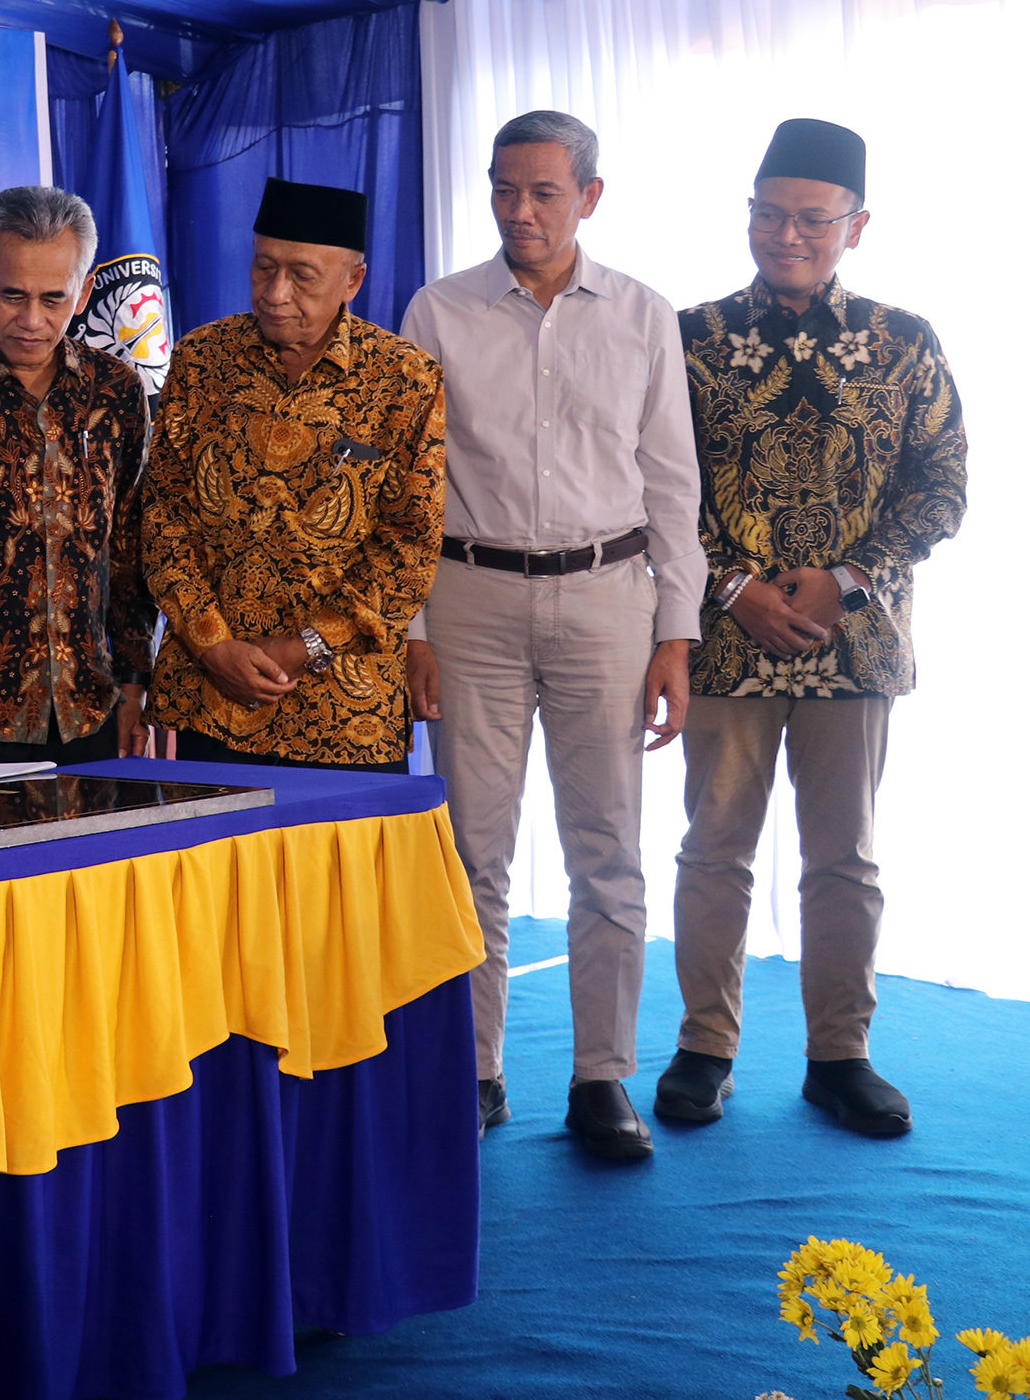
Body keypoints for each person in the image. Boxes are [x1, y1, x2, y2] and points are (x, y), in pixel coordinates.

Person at [400, 110, 706, 1162]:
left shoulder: (641, 315)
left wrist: (676, 631)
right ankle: (474, 1068)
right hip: (469, 601)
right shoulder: (436, 311)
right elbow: (408, 485)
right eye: (501, 190)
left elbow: (673, 483)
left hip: (607, 598)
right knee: (469, 849)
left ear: (589, 196)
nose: (519, 212)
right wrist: (410, 624)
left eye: (541, 192)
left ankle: (600, 1077)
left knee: (606, 850)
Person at [655, 119, 967, 1138]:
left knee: (845, 859)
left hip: (854, 645)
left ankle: (840, 1055)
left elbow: (942, 488)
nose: (784, 234)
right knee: (713, 851)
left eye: (809, 219)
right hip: (723, 638)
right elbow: (654, 486)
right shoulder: (688, 337)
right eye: (766, 213)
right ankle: (705, 1045)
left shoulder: (903, 338)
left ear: (856, 225)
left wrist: (848, 578)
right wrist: (735, 584)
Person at [140, 177, 445, 774]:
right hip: (213, 696)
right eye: (263, 268)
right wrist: (213, 644)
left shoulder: (404, 379)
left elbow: (410, 544)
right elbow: (163, 517)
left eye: (302, 275)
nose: (275, 292)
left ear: (351, 281)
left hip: (343, 708)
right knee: (215, 869)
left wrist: (308, 644)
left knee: (342, 870)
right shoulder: (201, 360)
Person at [0, 185, 155, 773]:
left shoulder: (116, 392)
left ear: (85, 291)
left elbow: (127, 547)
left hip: (88, 717)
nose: (32, 321)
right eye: (12, 295)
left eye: (53, 298)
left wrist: (135, 679)